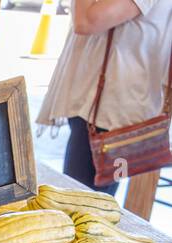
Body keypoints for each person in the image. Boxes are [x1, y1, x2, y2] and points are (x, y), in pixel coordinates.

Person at [37, 0, 172, 194]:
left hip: (113, 111)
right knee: (80, 200)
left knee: (83, 204)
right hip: (96, 104)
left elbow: (87, 21)